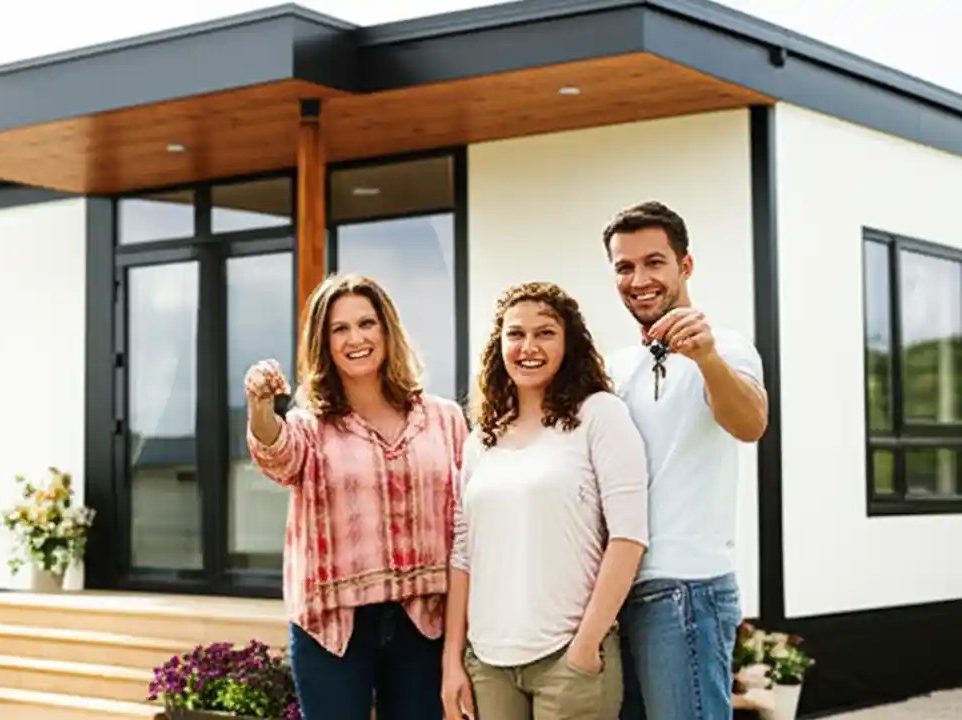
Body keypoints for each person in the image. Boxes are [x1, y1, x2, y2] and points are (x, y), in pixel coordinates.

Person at [244, 272, 469, 720]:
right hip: (332, 626)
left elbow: (465, 520)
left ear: (387, 329)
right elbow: (278, 457)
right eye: (339, 329)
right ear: (324, 343)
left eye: (366, 323)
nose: (356, 338)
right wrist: (260, 409)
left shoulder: (444, 419)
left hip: (425, 620)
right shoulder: (309, 425)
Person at [441, 281, 650, 720]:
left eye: (545, 333)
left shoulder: (599, 416)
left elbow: (628, 537)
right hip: (488, 665)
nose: (528, 346)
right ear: (499, 345)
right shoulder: (481, 441)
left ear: (569, 342)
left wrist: (586, 646)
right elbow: (463, 555)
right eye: (515, 334)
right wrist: (452, 662)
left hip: (568, 659)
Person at [600, 201, 768, 720]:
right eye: (625, 267)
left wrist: (707, 358)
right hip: (615, 591)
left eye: (654, 262)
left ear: (685, 266)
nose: (639, 279)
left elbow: (750, 424)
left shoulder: (727, 349)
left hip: (685, 592)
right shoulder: (616, 367)